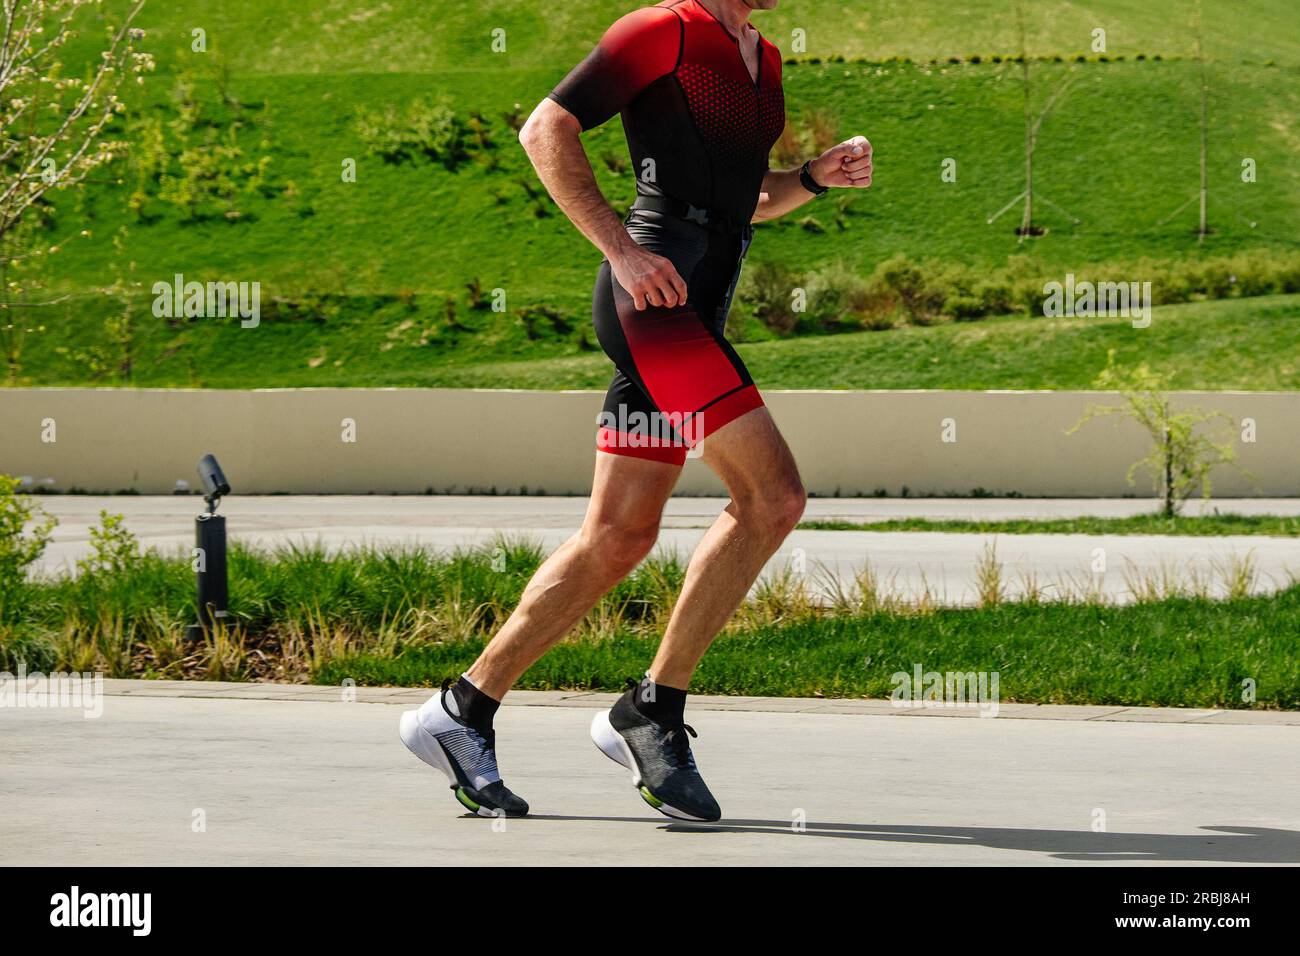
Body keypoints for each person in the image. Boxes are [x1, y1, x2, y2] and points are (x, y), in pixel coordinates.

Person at [400, 0, 872, 822]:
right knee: (774, 497)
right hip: (655, 309)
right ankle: (652, 710)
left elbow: (738, 203)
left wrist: (809, 180)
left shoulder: (763, 57)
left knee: (618, 537)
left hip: (694, 304)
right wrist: (621, 251)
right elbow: (545, 130)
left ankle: (460, 711)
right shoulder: (662, 29)